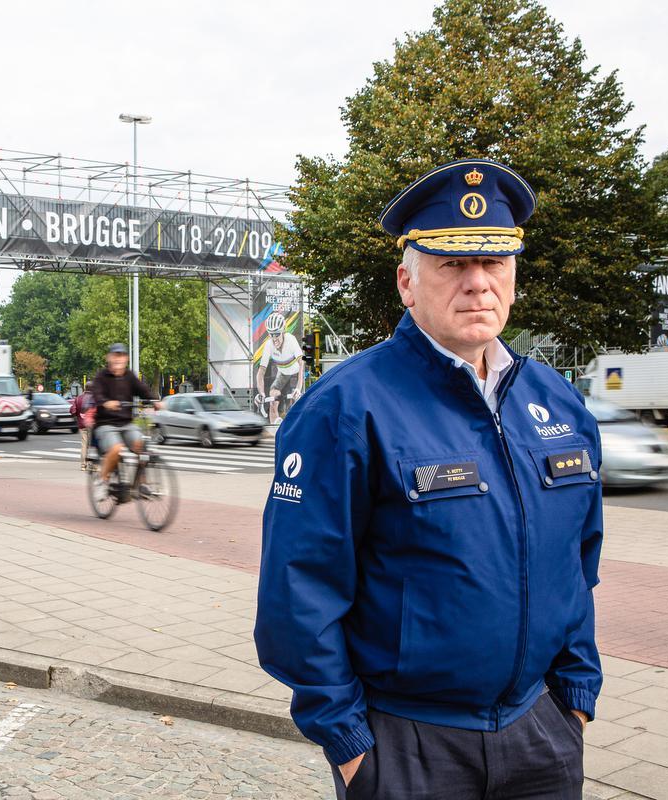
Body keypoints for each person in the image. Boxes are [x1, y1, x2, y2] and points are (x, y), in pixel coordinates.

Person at [255, 159, 602, 800]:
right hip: (410, 745)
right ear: (407, 283)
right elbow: (297, 591)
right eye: (451, 264)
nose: (477, 285)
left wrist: (575, 696)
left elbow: (578, 561)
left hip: (541, 735)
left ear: (514, 274)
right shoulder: (346, 406)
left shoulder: (556, 400)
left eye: (493, 264)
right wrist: (352, 746)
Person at [91, 344, 162, 486]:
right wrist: (106, 402)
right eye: (116, 355)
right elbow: (97, 395)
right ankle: (103, 477)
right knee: (116, 448)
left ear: (127, 359)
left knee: (141, 446)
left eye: (122, 356)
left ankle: (140, 484)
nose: (119, 359)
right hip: (106, 424)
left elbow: (142, 390)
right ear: (109, 357)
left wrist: (154, 401)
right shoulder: (101, 377)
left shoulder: (129, 376)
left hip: (127, 424)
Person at [255, 311, 304, 424]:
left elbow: (301, 363)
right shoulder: (268, 344)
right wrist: (261, 393)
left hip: (295, 373)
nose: (274, 338)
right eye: (271, 334)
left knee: (294, 400)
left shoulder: (290, 339)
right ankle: (275, 430)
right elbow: (261, 372)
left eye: (277, 334)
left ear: (283, 331)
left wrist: (299, 387)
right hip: (282, 374)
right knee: (272, 398)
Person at [70, 381, 97, 470]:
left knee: (84, 444)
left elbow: (72, 411)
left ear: (85, 388)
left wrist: (78, 416)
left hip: (82, 425)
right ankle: (92, 465)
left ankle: (83, 465)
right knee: (92, 445)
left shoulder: (78, 398)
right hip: (93, 425)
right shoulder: (95, 398)